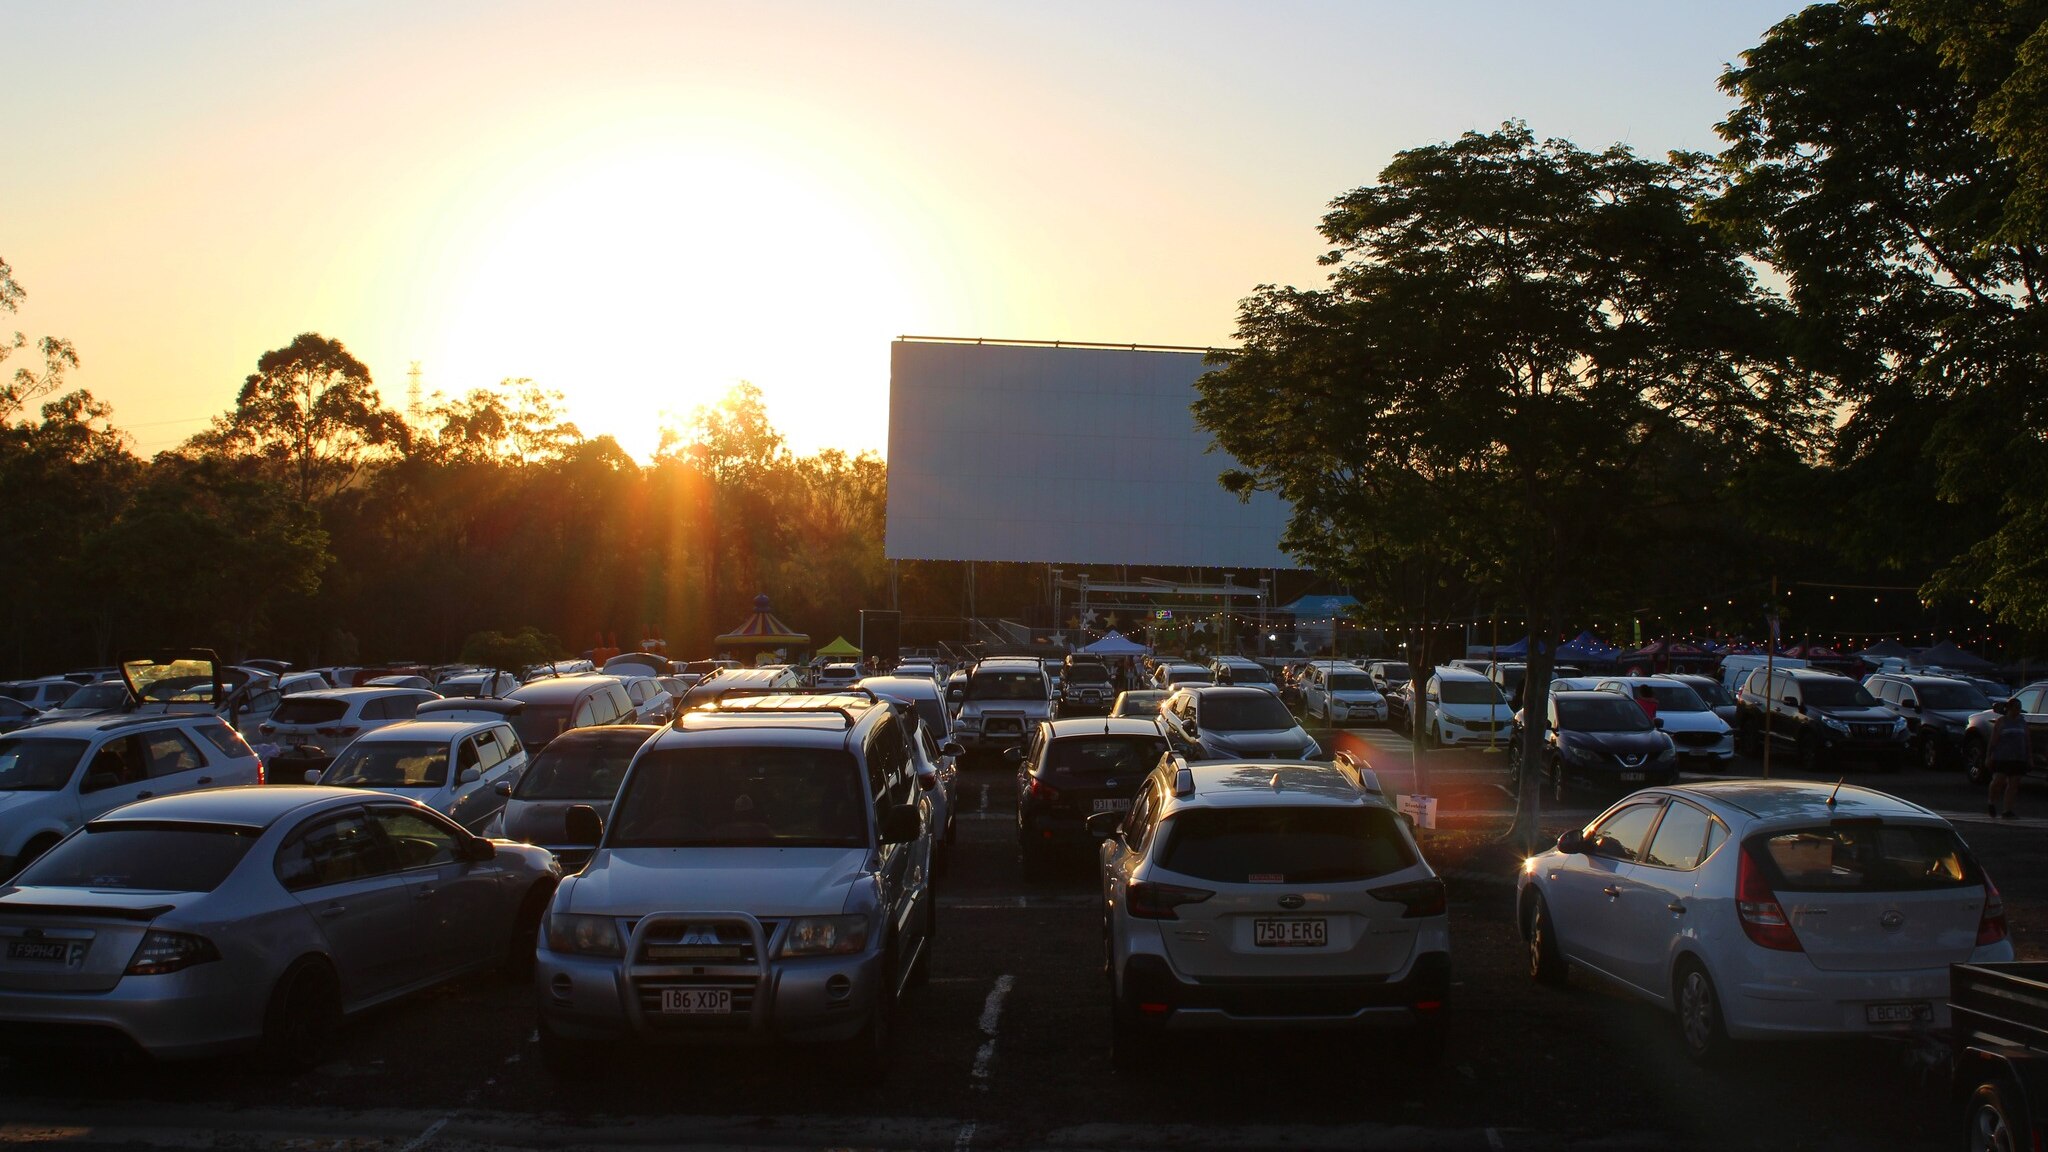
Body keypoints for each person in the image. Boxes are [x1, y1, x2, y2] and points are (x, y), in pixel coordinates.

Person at [1988, 697, 2031, 818]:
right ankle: (1991, 802)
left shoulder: (2022, 722)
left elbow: (2027, 740)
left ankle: (2007, 810)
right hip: (2002, 757)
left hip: (2018, 757)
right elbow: (1993, 741)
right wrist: (1989, 756)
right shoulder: (2002, 722)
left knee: (2013, 784)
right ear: (2010, 708)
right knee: (1998, 780)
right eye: (2016, 708)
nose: (2018, 710)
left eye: (2020, 708)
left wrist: (2029, 757)